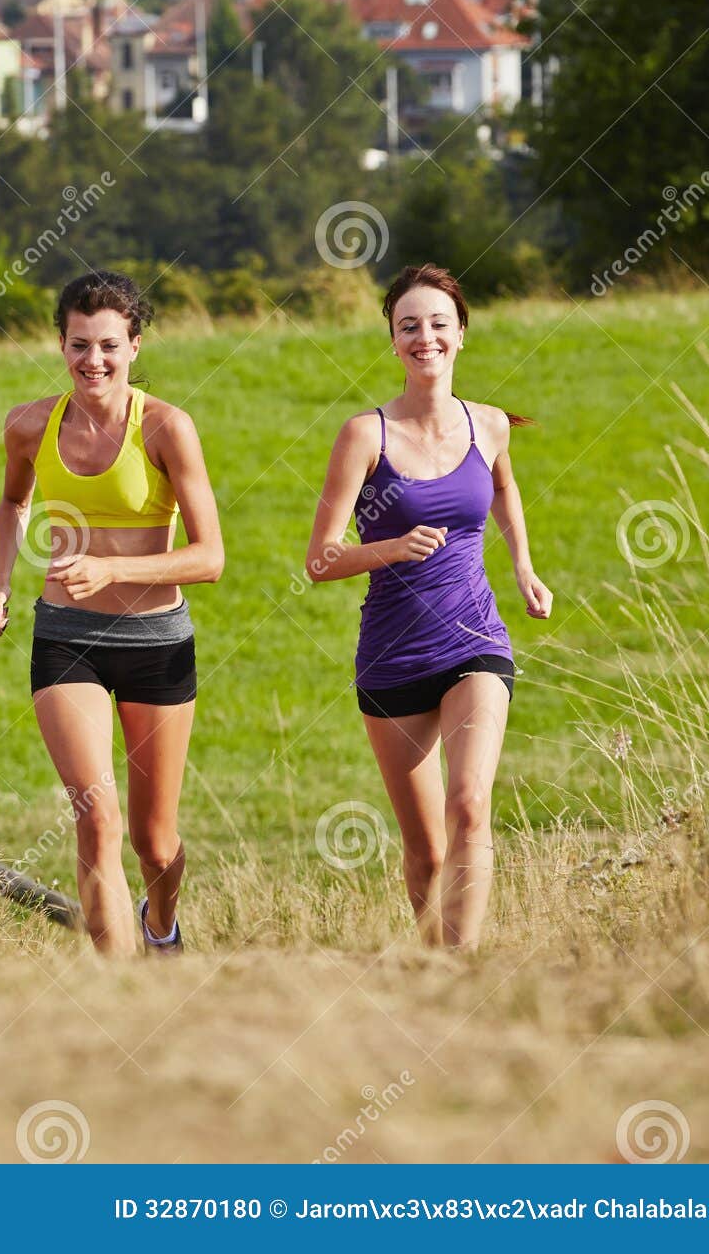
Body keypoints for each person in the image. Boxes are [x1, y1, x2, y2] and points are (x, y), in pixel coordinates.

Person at [0, 270, 223, 958]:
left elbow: (209, 558)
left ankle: (161, 924)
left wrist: (114, 568)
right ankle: (119, 994)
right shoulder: (28, 425)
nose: (94, 361)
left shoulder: (168, 428)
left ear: (135, 346)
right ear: (60, 344)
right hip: (65, 637)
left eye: (109, 345)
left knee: (154, 841)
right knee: (96, 817)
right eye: (79, 345)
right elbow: (11, 504)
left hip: (156, 641)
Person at [305, 262, 552, 950]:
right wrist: (391, 547)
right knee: (424, 853)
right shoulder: (365, 436)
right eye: (408, 326)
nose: (424, 337)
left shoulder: (490, 424)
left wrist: (523, 567)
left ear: (461, 334)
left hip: (474, 639)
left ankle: (460, 971)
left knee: (468, 806)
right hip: (390, 655)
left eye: (438, 324)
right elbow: (319, 559)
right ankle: (432, 970)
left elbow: (502, 489)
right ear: (392, 341)